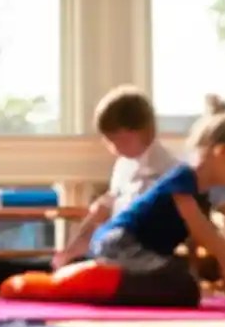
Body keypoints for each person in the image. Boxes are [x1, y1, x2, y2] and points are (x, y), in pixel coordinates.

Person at [84, 95, 225, 307]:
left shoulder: (199, 193)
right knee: (184, 286)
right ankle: (102, 284)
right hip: (119, 245)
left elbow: (221, 239)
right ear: (223, 153)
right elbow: (203, 232)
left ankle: (106, 282)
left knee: (182, 283)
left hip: (139, 254)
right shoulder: (182, 180)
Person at [52, 85, 177, 269]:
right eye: (109, 141)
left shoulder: (166, 169)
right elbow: (106, 207)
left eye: (120, 140)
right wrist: (72, 248)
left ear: (145, 132)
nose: (114, 148)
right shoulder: (123, 165)